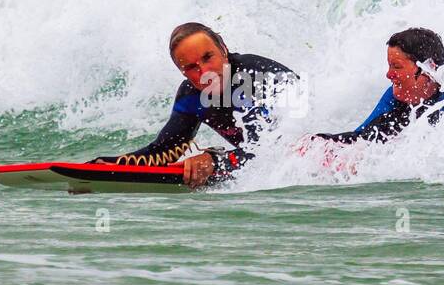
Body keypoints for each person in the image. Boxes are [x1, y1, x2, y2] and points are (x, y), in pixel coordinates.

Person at [94, 22, 297, 187]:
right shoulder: (191, 97)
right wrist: (108, 166)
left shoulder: (255, 77)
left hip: (316, 148)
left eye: (208, 57)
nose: (204, 72)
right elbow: (164, 151)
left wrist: (214, 161)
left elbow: (270, 149)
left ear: (223, 49)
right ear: (183, 73)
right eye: (191, 67)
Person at [315, 27, 444, 144]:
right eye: (390, 66)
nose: (389, 74)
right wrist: (319, 141)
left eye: (397, 67)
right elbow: (360, 138)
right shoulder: (394, 97)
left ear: (428, 69)